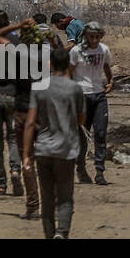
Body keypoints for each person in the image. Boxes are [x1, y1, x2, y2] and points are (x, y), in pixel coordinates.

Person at [23, 48, 86, 239]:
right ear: (67, 64)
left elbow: (30, 122)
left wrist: (26, 155)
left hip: (43, 149)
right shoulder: (75, 88)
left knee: (47, 198)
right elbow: (82, 120)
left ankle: (49, 234)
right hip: (66, 149)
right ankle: (62, 232)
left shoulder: (39, 87)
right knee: (65, 196)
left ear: (50, 64)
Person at [0, 12, 41, 217]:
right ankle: (16, 170)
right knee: (13, 139)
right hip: (13, 96)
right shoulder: (18, 42)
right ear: (9, 23)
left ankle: (0, 183)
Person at [70, 21, 112, 185]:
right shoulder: (76, 51)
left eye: (97, 37)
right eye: (91, 36)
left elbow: (107, 66)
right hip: (82, 96)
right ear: (85, 36)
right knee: (82, 136)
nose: (94, 40)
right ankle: (80, 166)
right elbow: (69, 72)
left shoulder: (104, 49)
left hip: (99, 95)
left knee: (100, 133)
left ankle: (99, 170)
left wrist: (110, 81)